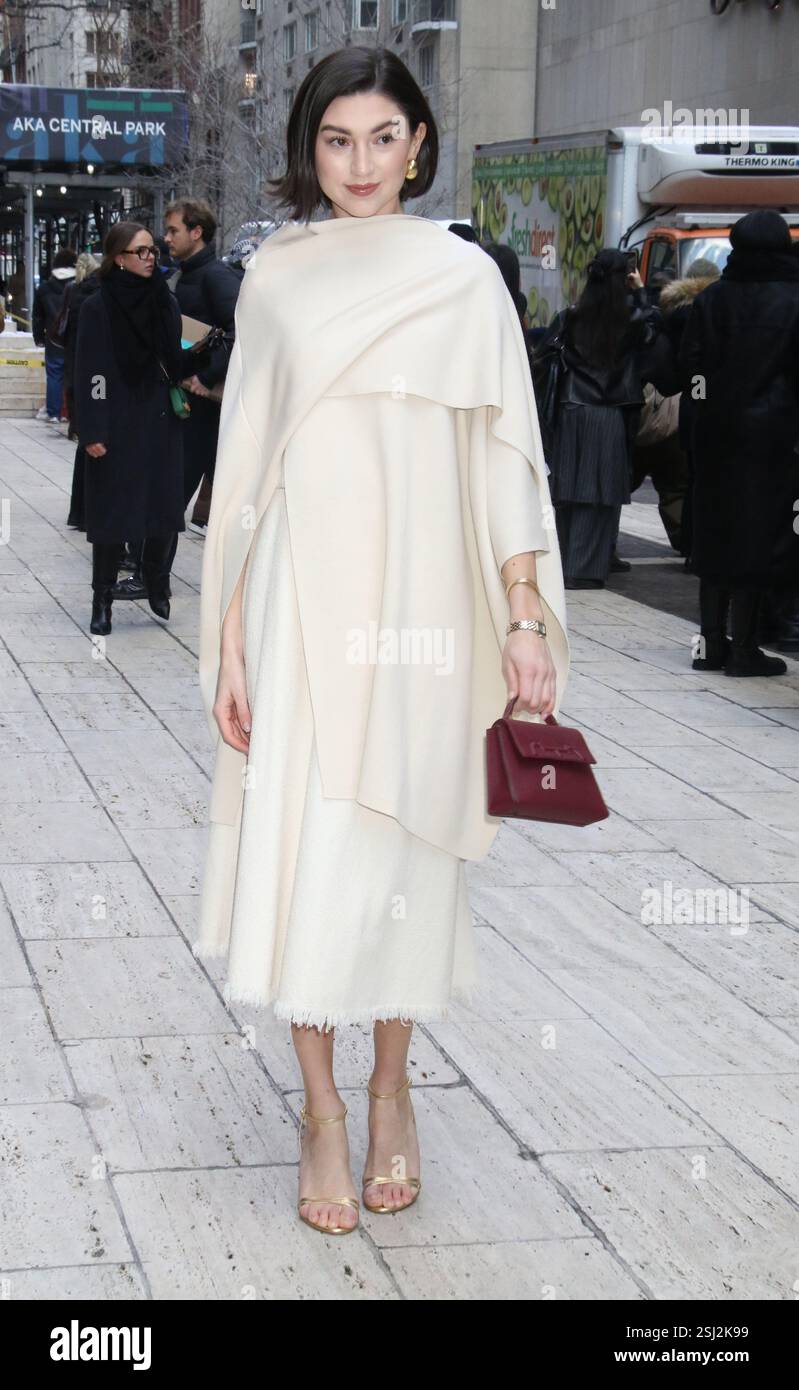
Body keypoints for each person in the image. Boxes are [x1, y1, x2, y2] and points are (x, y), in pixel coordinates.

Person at [193, 46, 569, 1237]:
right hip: (304, 606)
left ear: (419, 142)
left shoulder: (463, 282)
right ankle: (318, 1111)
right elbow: (245, 473)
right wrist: (236, 636)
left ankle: (391, 1087)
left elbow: (500, 460)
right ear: (310, 150)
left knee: (401, 855)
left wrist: (521, 616)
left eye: (382, 137)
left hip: (426, 613)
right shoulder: (277, 281)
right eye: (335, 141)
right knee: (308, 852)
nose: (360, 164)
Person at [73, 222, 210, 635]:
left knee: (164, 509)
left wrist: (205, 353)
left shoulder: (162, 301)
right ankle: (102, 599)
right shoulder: (97, 307)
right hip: (116, 422)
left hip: (159, 419)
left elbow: (173, 360)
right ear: (119, 258)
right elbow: (91, 373)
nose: (152, 258)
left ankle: (156, 582)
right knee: (113, 515)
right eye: (142, 252)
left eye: (153, 251)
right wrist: (93, 429)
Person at [679, 210, 799, 676]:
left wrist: (706, 407)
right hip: (774, 437)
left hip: (715, 437)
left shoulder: (712, 300)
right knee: (759, 537)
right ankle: (745, 647)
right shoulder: (793, 299)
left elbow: (693, 372)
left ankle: (710, 644)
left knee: (715, 536)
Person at [534, 249, 661, 588]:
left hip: (571, 408)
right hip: (609, 412)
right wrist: (641, 290)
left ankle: (558, 565)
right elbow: (654, 328)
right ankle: (585, 568)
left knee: (566, 490)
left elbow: (544, 356)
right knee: (599, 492)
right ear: (624, 279)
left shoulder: (570, 316)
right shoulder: (632, 321)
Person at [631, 258, 721, 555]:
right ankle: (690, 544)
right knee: (681, 484)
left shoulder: (671, 310)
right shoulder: (717, 310)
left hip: (666, 401)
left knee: (675, 480)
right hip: (697, 407)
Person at [162, 197, 241, 532]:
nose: (166, 238)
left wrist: (206, 378)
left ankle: (151, 572)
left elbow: (243, 328)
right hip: (187, 399)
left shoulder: (215, 277)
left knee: (175, 489)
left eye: (173, 230)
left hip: (206, 406)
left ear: (196, 232)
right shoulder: (185, 276)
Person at [32, 247, 77, 421]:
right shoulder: (78, 286)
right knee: (72, 375)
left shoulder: (44, 288)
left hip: (53, 338)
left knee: (54, 374)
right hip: (73, 337)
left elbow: (37, 316)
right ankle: (70, 413)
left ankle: (53, 412)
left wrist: (38, 337)